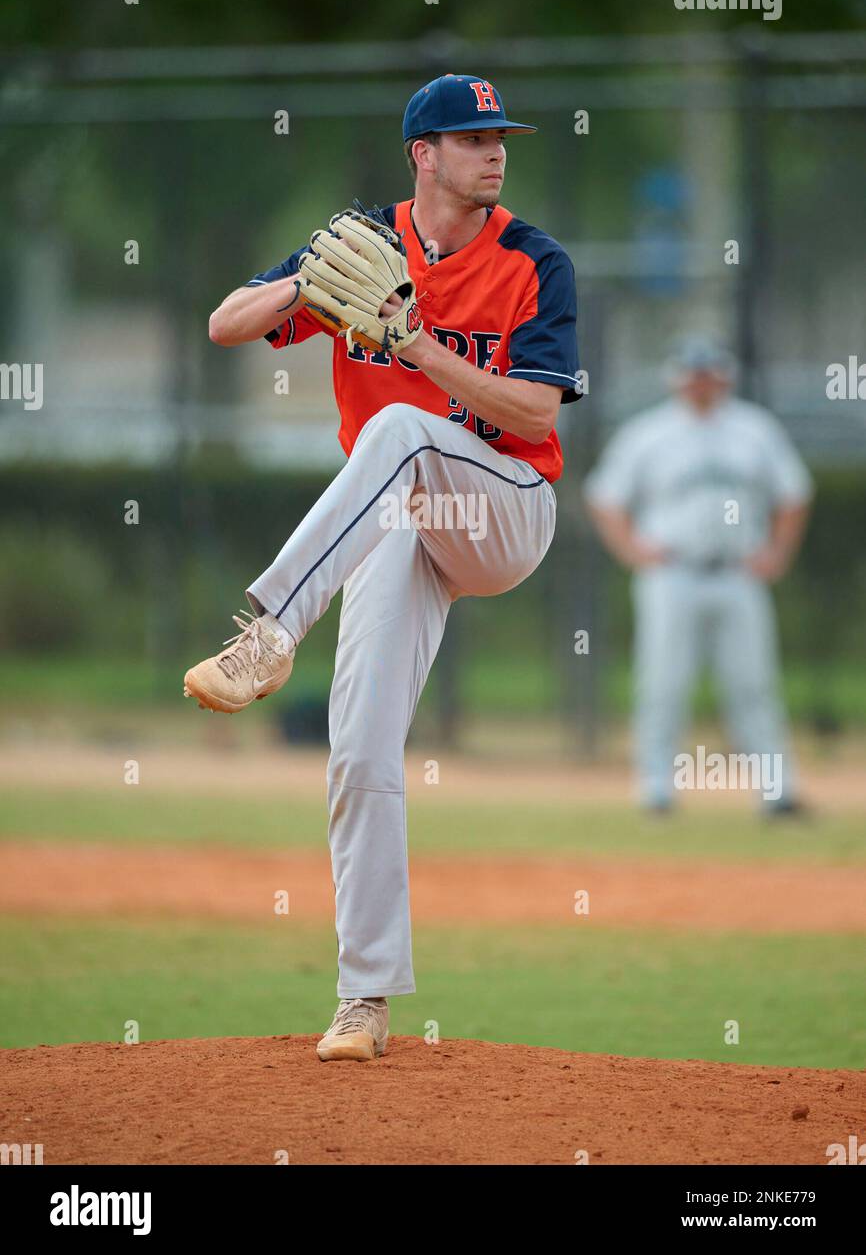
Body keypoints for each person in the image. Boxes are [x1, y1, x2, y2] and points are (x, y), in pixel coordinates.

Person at [183, 75, 582, 1060]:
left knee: (403, 422)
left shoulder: (534, 260)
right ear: (421, 153)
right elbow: (226, 324)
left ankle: (269, 627)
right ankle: (363, 998)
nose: (493, 150)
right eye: (469, 135)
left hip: (502, 508)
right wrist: (307, 285)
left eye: (499, 136)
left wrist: (413, 347)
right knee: (358, 749)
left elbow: (535, 412)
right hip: (396, 518)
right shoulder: (363, 244)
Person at [584, 337, 812, 817]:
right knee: (663, 681)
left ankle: (777, 792)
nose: (701, 381)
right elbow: (605, 496)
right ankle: (656, 789)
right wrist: (632, 549)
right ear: (677, 377)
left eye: (709, 372)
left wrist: (777, 552)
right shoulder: (649, 433)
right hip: (672, 573)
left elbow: (793, 493)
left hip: (737, 572)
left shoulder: (754, 429)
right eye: (693, 372)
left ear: (725, 376)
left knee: (752, 683)